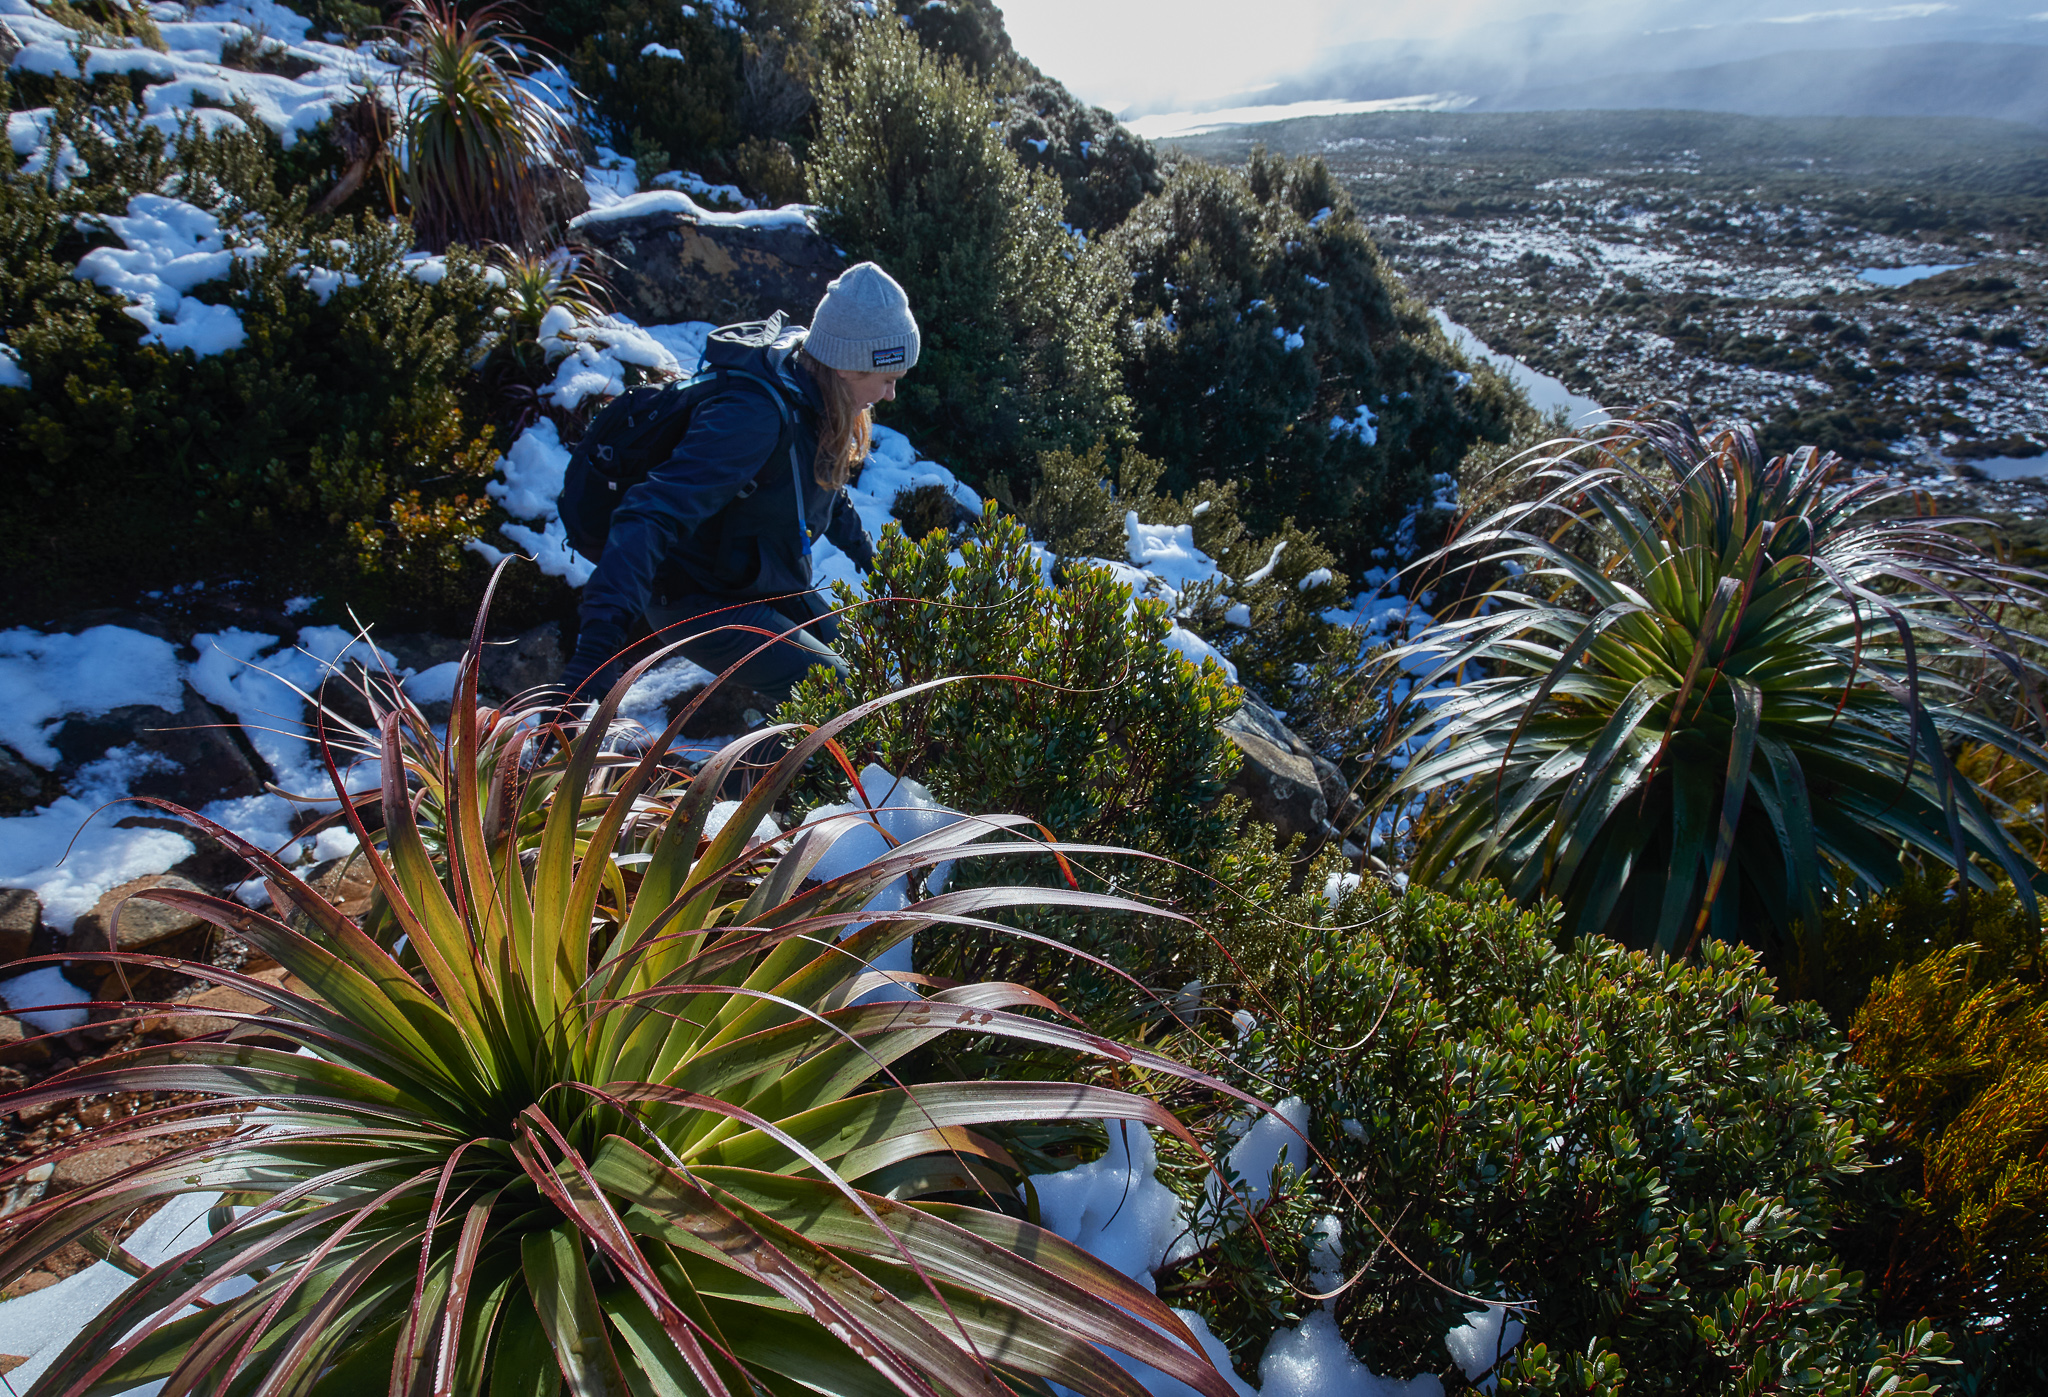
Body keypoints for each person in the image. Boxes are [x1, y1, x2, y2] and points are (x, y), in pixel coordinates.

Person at [556, 262, 918, 709]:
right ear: (848, 367)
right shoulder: (754, 418)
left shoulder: (812, 394)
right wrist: (597, 649)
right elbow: (649, 513)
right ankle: (753, 777)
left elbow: (823, 486)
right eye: (887, 379)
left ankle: (793, 768)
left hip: (760, 585)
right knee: (837, 698)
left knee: (869, 668)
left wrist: (872, 559)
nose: (890, 395)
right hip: (698, 600)